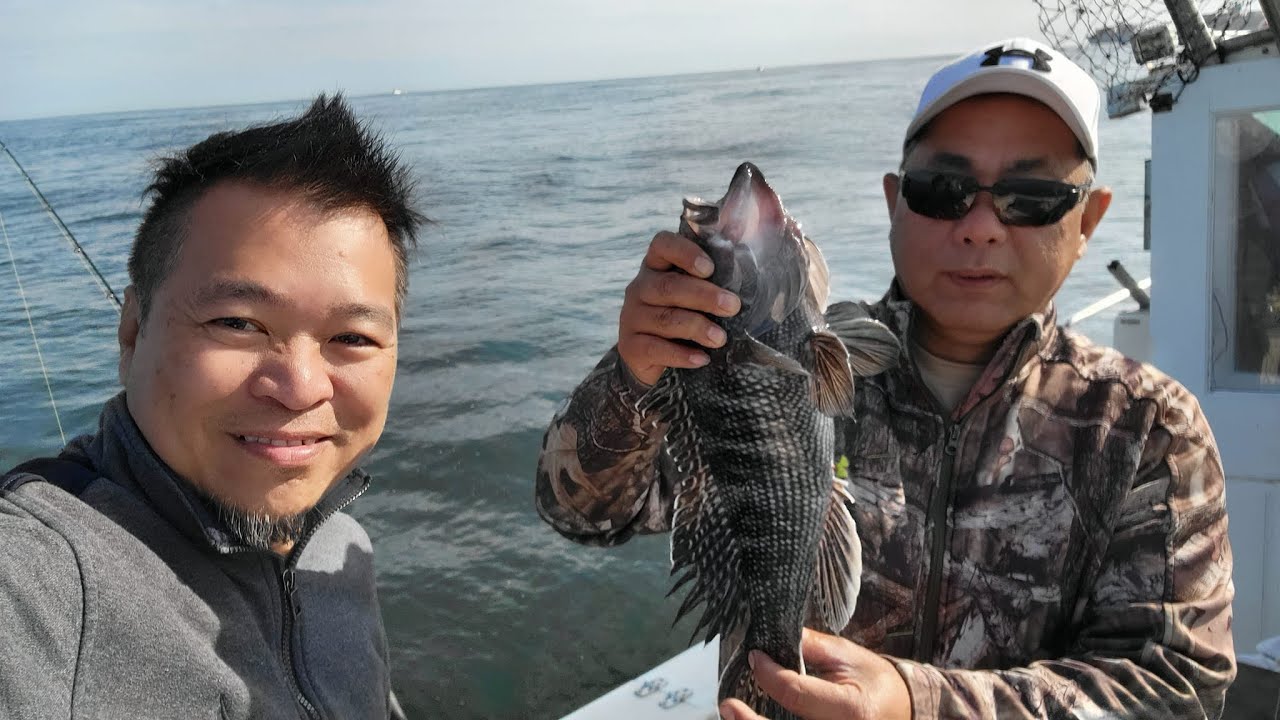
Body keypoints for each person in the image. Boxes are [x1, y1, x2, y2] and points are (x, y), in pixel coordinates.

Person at [535, 38, 1236, 719]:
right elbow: (583, 515)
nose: (982, 226)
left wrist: (918, 705)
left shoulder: (1149, 430)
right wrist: (633, 373)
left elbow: (1177, 690)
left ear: (1090, 220)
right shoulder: (802, 362)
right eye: (945, 190)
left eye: (1031, 195)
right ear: (895, 200)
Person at [0, 94, 422, 719]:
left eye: (352, 338)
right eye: (237, 323)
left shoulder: (338, 546)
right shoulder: (37, 578)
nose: (301, 386)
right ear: (132, 331)